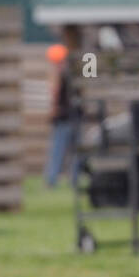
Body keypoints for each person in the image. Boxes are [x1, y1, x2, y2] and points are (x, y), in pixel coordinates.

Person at [43, 43, 80, 188]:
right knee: (75, 152)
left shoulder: (59, 74)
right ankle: (74, 180)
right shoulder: (74, 72)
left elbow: (55, 93)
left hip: (63, 118)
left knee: (57, 151)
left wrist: (52, 111)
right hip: (74, 117)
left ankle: (52, 181)